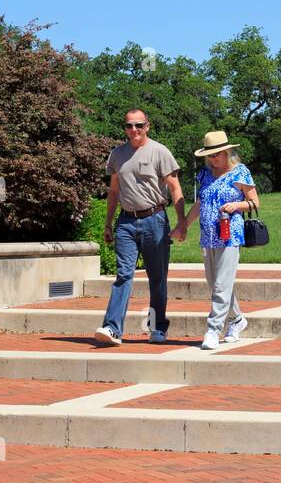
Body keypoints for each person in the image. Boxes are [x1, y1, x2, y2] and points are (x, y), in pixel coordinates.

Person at [95, 109, 187, 347]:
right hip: (125, 222)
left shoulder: (159, 151)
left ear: (148, 126)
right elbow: (114, 191)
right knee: (123, 275)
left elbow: (175, 189)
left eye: (138, 125)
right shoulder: (117, 154)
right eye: (128, 126)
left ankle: (157, 328)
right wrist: (108, 223)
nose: (133, 130)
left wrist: (181, 223)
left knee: (157, 277)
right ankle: (112, 328)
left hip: (154, 220)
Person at [177, 131, 260, 350]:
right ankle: (237, 319)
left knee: (222, 284)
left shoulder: (240, 173)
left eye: (217, 154)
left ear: (226, 153)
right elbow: (199, 203)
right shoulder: (205, 174)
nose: (213, 159)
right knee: (215, 283)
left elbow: (254, 202)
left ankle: (213, 330)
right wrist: (184, 224)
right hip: (208, 236)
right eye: (209, 155)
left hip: (229, 234)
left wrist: (236, 206)